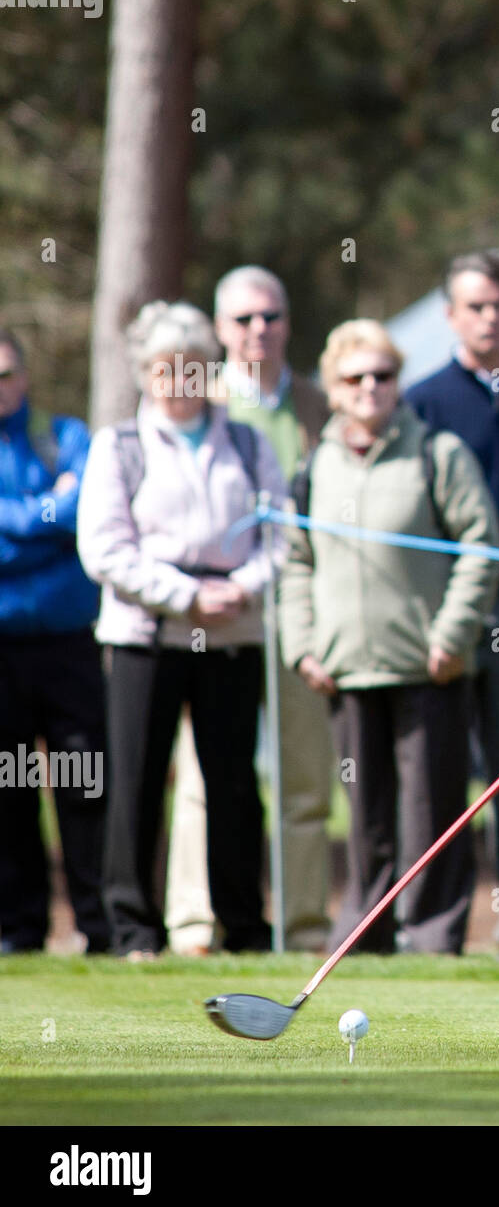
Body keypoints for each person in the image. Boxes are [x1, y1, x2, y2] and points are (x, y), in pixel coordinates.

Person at [279, 320, 499, 954]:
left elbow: (480, 546)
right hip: (343, 671)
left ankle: (432, 936)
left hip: (428, 669)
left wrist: (453, 634)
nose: (371, 387)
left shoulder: (438, 452)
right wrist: (302, 647)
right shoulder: (312, 465)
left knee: (432, 816)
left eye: (384, 375)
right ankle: (367, 936)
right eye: (356, 378)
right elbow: (295, 562)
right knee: (366, 817)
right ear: (334, 388)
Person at [77, 302, 284, 958]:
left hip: (231, 634)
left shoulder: (248, 442)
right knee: (137, 779)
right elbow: (105, 550)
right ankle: (133, 928)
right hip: (146, 635)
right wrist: (187, 595)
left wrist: (240, 589)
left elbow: (280, 534)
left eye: (193, 366)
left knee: (232, 786)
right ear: (144, 372)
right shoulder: (119, 446)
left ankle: (244, 926)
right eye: (166, 367)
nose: (179, 379)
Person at [165, 265, 334, 954]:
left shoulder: (322, 406)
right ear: (219, 329)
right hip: (214, 623)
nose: (258, 331)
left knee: (304, 782)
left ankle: (302, 927)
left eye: (271, 316)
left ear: (288, 322)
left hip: (300, 616)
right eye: (242, 320)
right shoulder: (197, 405)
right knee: (207, 781)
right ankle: (196, 923)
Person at [405, 251, 499, 944]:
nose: (490, 318)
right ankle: (435, 929)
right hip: (448, 614)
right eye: (475, 306)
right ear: (450, 316)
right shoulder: (423, 401)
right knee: (435, 781)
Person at [0, 328, 109, 954]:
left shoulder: (63, 436)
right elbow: (53, 520)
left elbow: (78, 515)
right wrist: (43, 513)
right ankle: (21, 928)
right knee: (11, 792)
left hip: (68, 643)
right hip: (4, 650)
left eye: (8, 373)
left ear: (26, 376)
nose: (2, 388)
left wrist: (23, 519)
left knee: (85, 784)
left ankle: (98, 925)